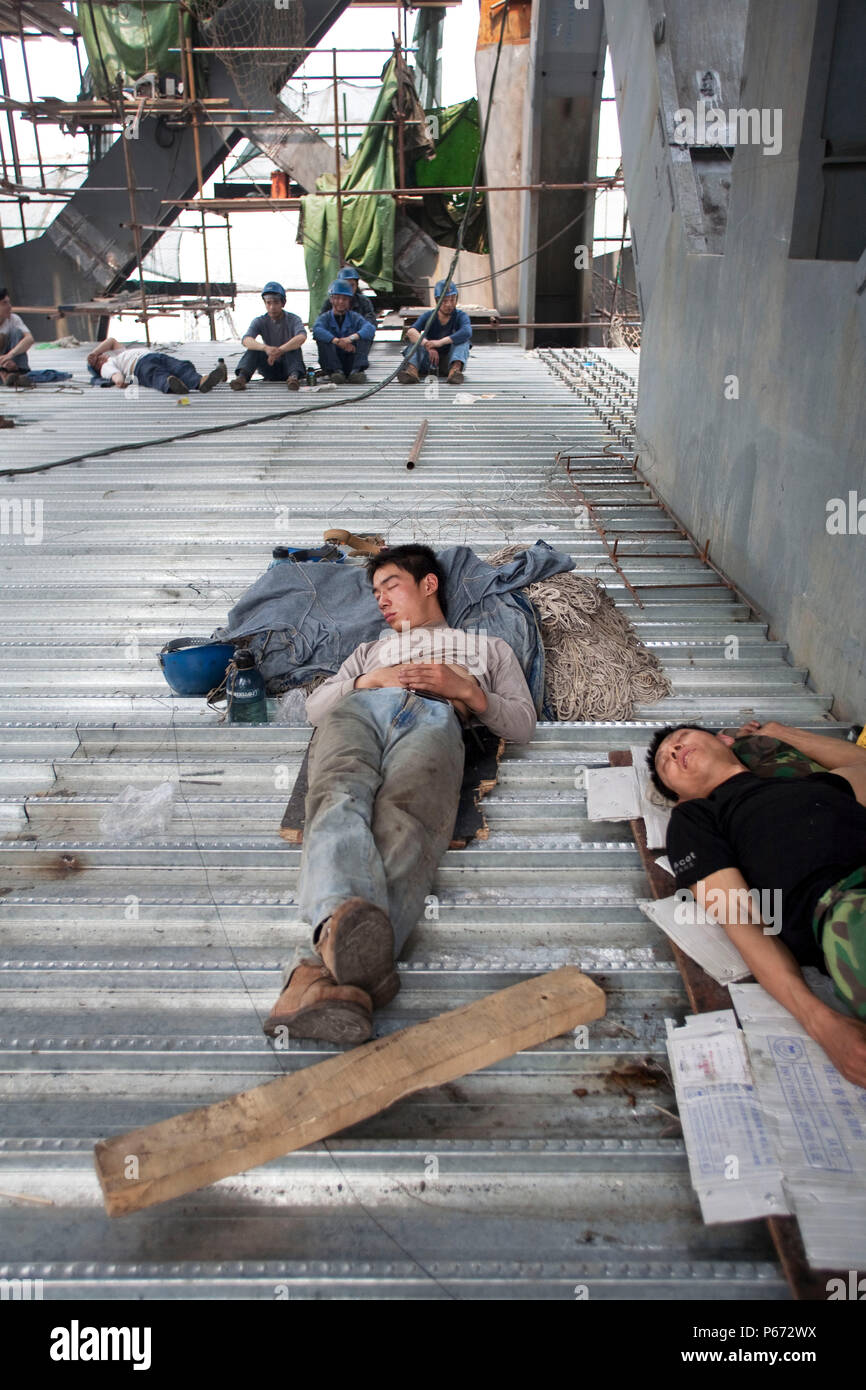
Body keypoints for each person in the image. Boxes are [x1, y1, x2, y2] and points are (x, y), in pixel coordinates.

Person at [263, 543, 537, 1044]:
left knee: (405, 820)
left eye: (391, 586)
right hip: (361, 709)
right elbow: (315, 709)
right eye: (375, 593)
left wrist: (467, 692)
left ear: (428, 584)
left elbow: (521, 724)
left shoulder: (487, 648)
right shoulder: (368, 651)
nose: (381, 600)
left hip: (437, 716)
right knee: (336, 799)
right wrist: (369, 679)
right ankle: (349, 968)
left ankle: (313, 972)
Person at [647, 719, 866, 1088]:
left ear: (723, 740)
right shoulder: (695, 818)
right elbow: (740, 917)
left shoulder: (808, 784)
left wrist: (780, 733)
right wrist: (821, 1023)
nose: (674, 750)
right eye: (666, 761)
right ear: (679, 795)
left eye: (681, 738)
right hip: (845, 905)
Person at [231, 281, 307, 391]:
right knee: (254, 349)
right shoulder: (260, 321)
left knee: (293, 348)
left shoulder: (293, 319)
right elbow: (246, 340)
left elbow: (301, 337)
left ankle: (293, 378)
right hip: (269, 365)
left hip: (289, 365)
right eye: (268, 303)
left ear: (283, 303)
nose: (272, 307)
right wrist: (266, 348)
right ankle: (241, 378)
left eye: (276, 303)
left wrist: (280, 350)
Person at [86, 337, 227, 394]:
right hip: (138, 366)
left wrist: (94, 352)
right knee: (157, 375)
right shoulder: (106, 367)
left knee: (181, 366)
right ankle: (172, 385)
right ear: (98, 368)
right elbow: (117, 377)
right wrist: (118, 382)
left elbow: (111, 341)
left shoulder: (118, 354)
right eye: (98, 359)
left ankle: (200, 382)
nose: (102, 356)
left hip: (154, 356)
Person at [398, 279, 472, 386]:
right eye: (445, 301)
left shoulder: (461, 316)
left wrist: (439, 342)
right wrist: (428, 345)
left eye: (452, 300)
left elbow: (467, 332)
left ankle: (455, 372)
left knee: (463, 341)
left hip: (448, 362)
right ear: (437, 301)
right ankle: (412, 370)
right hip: (427, 361)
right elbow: (411, 332)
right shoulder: (429, 316)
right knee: (416, 341)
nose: (449, 304)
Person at [311, 278, 376, 385]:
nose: (340, 302)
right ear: (331, 299)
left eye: (344, 299)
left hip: (351, 356)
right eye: (337, 298)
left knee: (365, 336)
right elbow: (317, 330)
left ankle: (356, 371)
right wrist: (337, 341)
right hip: (333, 358)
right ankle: (336, 371)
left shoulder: (355, 317)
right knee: (322, 339)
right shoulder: (325, 318)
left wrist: (350, 339)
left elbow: (370, 329)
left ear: (349, 301)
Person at [0, 287, 35, 388]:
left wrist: (11, 355)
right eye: (4, 303)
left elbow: (30, 339)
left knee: (18, 332)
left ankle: (17, 375)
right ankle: (6, 376)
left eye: (9, 302)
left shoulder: (13, 319)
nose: (9, 306)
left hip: (13, 364)